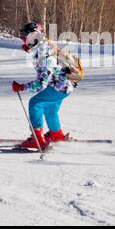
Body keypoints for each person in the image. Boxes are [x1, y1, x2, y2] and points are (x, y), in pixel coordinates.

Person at [10, 21, 72, 150]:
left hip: (58, 87)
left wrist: (22, 87)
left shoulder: (44, 55)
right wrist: (30, 48)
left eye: (24, 35)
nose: (23, 39)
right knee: (50, 110)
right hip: (64, 86)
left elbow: (40, 84)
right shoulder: (44, 47)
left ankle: (37, 139)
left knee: (35, 103)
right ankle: (56, 135)